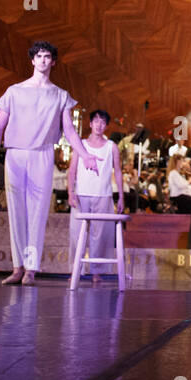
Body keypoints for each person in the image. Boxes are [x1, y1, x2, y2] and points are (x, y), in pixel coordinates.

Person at [0, 41, 94, 286]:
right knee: (16, 212)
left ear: (53, 62)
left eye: (47, 57)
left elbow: (70, 132)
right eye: (39, 56)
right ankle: (17, 267)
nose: (42, 60)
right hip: (15, 155)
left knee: (37, 213)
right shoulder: (14, 91)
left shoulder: (60, 95)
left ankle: (31, 268)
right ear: (32, 60)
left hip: (42, 154)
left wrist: (84, 154)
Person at [67, 109, 123, 285]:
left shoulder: (111, 147)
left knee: (100, 236)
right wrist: (70, 191)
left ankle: (97, 272)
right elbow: (72, 169)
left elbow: (118, 172)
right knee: (76, 234)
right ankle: (75, 270)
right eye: (96, 121)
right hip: (81, 194)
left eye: (103, 122)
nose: (99, 125)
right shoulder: (80, 144)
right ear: (90, 124)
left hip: (103, 195)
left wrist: (120, 196)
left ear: (106, 126)